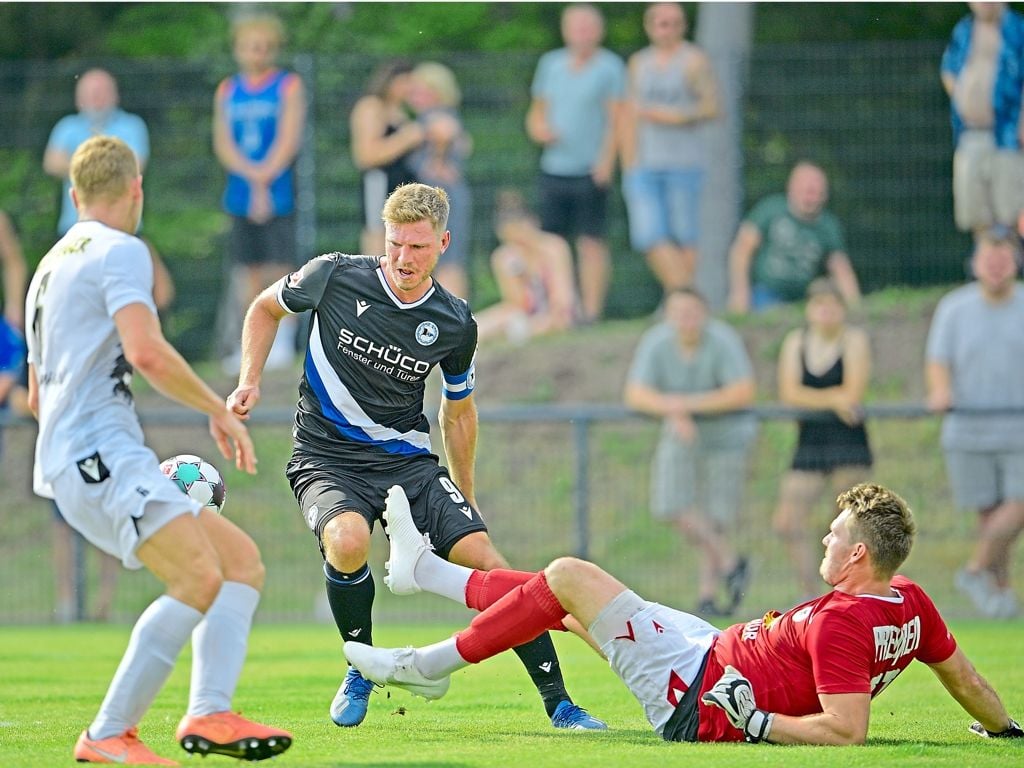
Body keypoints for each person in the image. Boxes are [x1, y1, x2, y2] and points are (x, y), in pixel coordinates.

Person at [226, 182, 606, 731]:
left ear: (443, 244)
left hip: (408, 464)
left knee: (489, 563)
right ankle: (360, 665)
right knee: (347, 541)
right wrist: (249, 380)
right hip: (326, 456)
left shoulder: (455, 321)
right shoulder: (333, 275)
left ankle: (561, 704)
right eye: (395, 244)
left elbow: (459, 413)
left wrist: (466, 495)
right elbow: (264, 309)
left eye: (418, 247)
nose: (404, 258)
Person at [348, 482, 1023, 745]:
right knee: (565, 604)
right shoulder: (910, 599)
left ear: (858, 556)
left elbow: (847, 731)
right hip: (709, 648)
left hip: (696, 689)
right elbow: (965, 679)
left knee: (568, 576)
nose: (825, 538)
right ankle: (425, 571)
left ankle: (426, 665)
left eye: (836, 534)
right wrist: (1005, 730)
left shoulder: (843, 621)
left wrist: (757, 721)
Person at [24, 135, 291, 763]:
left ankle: (211, 712)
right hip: (98, 453)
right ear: (136, 188)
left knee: (239, 564)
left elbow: (36, 397)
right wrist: (216, 409)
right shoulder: (122, 250)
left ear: (74, 195)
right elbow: (146, 352)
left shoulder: (49, 267)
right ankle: (108, 733)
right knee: (197, 576)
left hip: (80, 454)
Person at [623, 288, 755, 615]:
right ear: (668, 315)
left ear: (705, 313)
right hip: (681, 435)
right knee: (670, 504)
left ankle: (707, 597)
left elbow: (742, 391)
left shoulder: (722, 340)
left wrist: (686, 406)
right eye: (679, 312)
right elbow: (636, 393)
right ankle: (731, 563)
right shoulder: (656, 342)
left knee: (716, 517)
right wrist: (673, 409)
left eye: (692, 312)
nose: (686, 319)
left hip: (726, 439)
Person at [926, 225, 1024, 619]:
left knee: (1017, 506)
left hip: (1018, 430)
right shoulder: (953, 308)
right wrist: (941, 391)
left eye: (1004, 258)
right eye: (989, 258)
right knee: (989, 515)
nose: (996, 266)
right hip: (968, 431)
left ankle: (973, 570)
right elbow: (938, 361)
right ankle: (1000, 595)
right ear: (976, 263)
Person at [214, 13, 307, 372]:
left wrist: (265, 177)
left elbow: (289, 138)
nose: (258, 53)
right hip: (240, 192)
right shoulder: (227, 89)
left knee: (280, 265)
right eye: (251, 47)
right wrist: (251, 179)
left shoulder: (288, 85)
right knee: (247, 269)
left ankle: (282, 339)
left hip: (279, 190)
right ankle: (251, 342)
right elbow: (224, 142)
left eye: (265, 47)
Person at [774, 278, 873, 599]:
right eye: (819, 305)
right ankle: (811, 595)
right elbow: (789, 393)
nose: (826, 312)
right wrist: (833, 399)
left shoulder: (854, 340)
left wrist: (818, 398)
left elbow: (853, 393)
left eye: (833, 305)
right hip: (810, 441)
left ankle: (845, 594)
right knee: (787, 522)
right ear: (809, 309)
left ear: (843, 309)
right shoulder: (796, 342)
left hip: (848, 442)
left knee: (844, 525)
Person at [526, 3, 625, 323]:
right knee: (550, 243)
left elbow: (617, 120)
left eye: (587, 26)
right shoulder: (550, 64)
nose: (581, 33)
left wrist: (606, 162)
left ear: (598, 31)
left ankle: (591, 313)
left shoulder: (610, 68)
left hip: (590, 170)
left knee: (591, 243)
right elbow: (536, 114)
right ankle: (557, 309)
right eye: (576, 26)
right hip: (554, 168)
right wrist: (540, 130)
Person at [620, 2, 720, 295]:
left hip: (684, 163)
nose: (668, 30)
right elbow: (630, 113)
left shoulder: (694, 61)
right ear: (649, 26)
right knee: (648, 236)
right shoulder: (639, 63)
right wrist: (628, 160)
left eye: (675, 23)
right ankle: (686, 298)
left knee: (684, 237)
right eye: (662, 23)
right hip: (644, 161)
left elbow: (712, 107)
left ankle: (680, 304)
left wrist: (674, 116)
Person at [727, 161, 861, 314]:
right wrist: (740, 294)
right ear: (791, 189)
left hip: (804, 298)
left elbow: (841, 268)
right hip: (765, 294)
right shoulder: (770, 210)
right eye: (808, 191)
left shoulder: (827, 225)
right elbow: (741, 252)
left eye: (817, 193)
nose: (811, 198)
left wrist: (855, 306)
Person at [940, 2, 1024, 242]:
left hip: (1008, 135)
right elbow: (948, 69)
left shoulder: (1018, 29)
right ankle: (985, 259)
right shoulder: (964, 30)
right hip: (970, 133)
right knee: (975, 213)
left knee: (1010, 210)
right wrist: (961, 97)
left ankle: (1010, 261)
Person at [474, 189, 577, 344]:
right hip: (525, 315)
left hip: (557, 314)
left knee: (557, 320)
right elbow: (516, 304)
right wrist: (520, 275)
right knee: (481, 325)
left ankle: (521, 333)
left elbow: (562, 300)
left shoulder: (554, 248)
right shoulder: (504, 257)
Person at [408, 61, 473, 300]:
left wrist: (437, 160)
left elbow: (445, 132)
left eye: (420, 90)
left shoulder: (436, 116)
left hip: (442, 196)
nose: (413, 96)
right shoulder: (439, 116)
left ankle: (453, 316)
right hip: (443, 197)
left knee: (448, 260)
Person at [350, 60, 424, 256]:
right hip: (380, 181)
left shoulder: (401, 111)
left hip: (402, 186)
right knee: (377, 236)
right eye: (406, 81)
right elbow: (366, 155)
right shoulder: (372, 107)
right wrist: (405, 139)